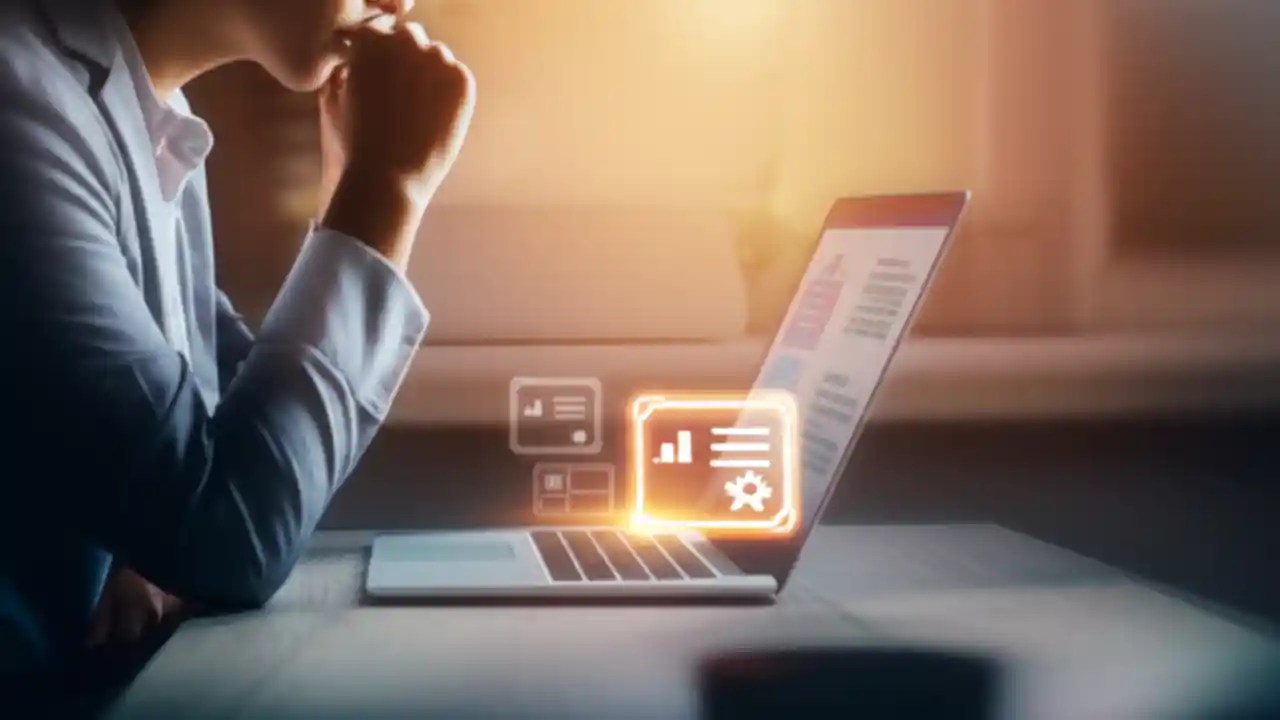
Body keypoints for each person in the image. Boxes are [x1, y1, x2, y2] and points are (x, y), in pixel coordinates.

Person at [0, 0, 475, 672]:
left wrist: (348, 184)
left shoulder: (153, 118)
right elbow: (227, 533)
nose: (399, 5)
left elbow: (248, 453)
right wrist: (384, 190)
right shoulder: (19, 108)